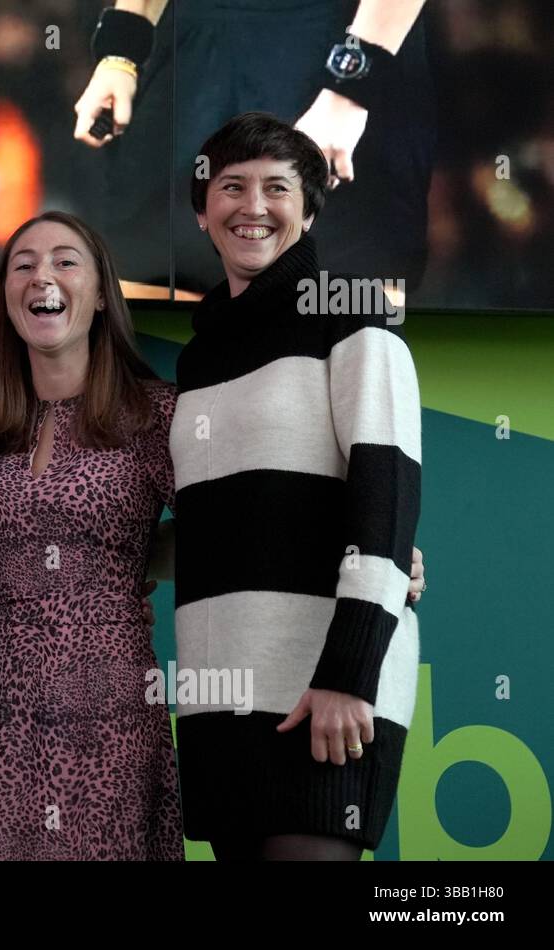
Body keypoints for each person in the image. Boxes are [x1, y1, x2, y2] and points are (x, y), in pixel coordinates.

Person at [171, 112, 422, 859]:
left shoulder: (351, 310)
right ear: (202, 210)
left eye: (277, 188)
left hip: (325, 687)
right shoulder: (201, 356)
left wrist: (347, 676)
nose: (253, 206)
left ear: (308, 210)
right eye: (232, 186)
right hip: (221, 693)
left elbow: (388, 497)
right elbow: (227, 519)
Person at [0, 211, 184, 860]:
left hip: (108, 710)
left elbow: (235, 523)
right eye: (22, 264)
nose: (41, 275)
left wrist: (363, 552)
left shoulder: (157, 413)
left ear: (103, 293)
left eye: (64, 261)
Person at [73, 0, 434, 295]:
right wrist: (119, 54)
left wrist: (351, 84)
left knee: (336, 354)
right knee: (153, 348)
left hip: (336, 56)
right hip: (190, 60)